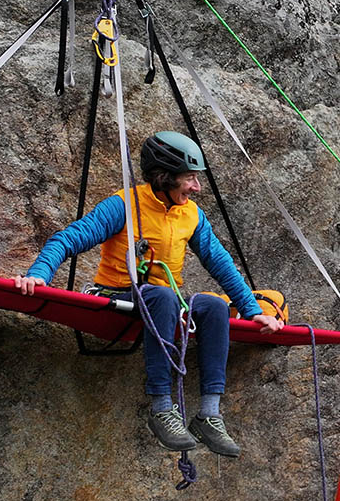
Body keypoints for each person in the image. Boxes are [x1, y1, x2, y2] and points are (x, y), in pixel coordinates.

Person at [14, 130, 283, 457]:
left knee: (212, 306)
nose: (196, 187)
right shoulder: (124, 205)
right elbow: (67, 239)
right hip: (117, 297)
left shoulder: (192, 215)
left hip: (162, 301)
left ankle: (209, 413)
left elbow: (221, 263)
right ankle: (161, 406)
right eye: (189, 179)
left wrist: (253, 310)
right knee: (163, 296)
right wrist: (39, 275)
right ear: (164, 177)